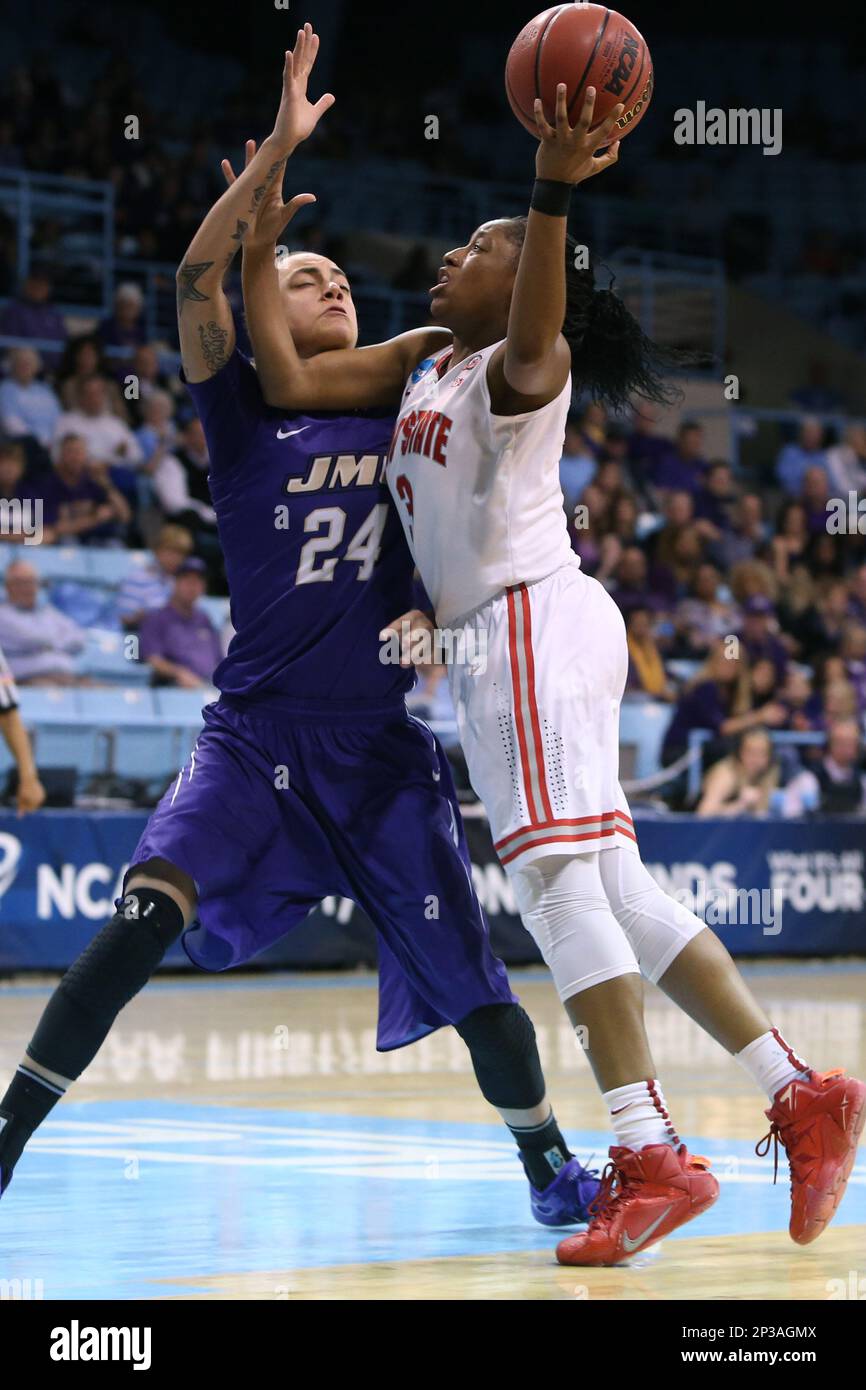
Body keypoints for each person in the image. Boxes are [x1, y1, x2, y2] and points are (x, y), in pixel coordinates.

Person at [239, 51, 865, 1265]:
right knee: (613, 887)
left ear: (525, 276)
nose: (446, 261)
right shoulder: (428, 355)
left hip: (525, 620)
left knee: (554, 885)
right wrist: (262, 229)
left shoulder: (532, 365)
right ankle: (797, 1088)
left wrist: (548, 189)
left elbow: (535, 299)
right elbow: (287, 374)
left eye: (474, 250)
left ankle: (645, 1151)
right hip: (514, 637)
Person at [0, 32, 597, 1233]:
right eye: (305, 274)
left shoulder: (416, 396)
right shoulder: (238, 410)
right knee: (141, 911)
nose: (329, 285)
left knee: (473, 982)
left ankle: (549, 1171)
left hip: (376, 745)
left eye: (342, 279)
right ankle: (4, 1148)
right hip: (254, 739)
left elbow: (495, 390)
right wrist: (273, 155)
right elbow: (193, 282)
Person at [138, 558, 222, 688]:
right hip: (176, 688)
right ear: (175, 582)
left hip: (210, 687)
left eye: (198, 581)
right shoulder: (156, 618)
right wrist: (178, 673)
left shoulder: (204, 618)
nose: (192, 586)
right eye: (187, 580)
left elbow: (218, 659)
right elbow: (153, 659)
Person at [0, 560, 86, 685]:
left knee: (106, 694)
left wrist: (49, 645)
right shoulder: (3, 614)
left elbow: (79, 638)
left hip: (67, 677)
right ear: (8, 587)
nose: (28, 588)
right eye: (21, 583)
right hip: (27, 680)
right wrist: (57, 642)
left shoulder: (48, 612)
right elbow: (31, 638)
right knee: (52, 694)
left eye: (32, 582)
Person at [116, 523, 194, 628]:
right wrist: (148, 616)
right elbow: (123, 619)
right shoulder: (137, 578)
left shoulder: (178, 582)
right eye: (171, 551)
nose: (176, 558)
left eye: (181, 553)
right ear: (157, 550)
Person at [696, 728, 779, 817]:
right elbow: (703, 813)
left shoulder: (769, 773)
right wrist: (740, 804)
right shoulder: (726, 774)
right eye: (750, 752)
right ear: (740, 753)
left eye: (762, 753)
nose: (756, 759)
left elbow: (761, 813)